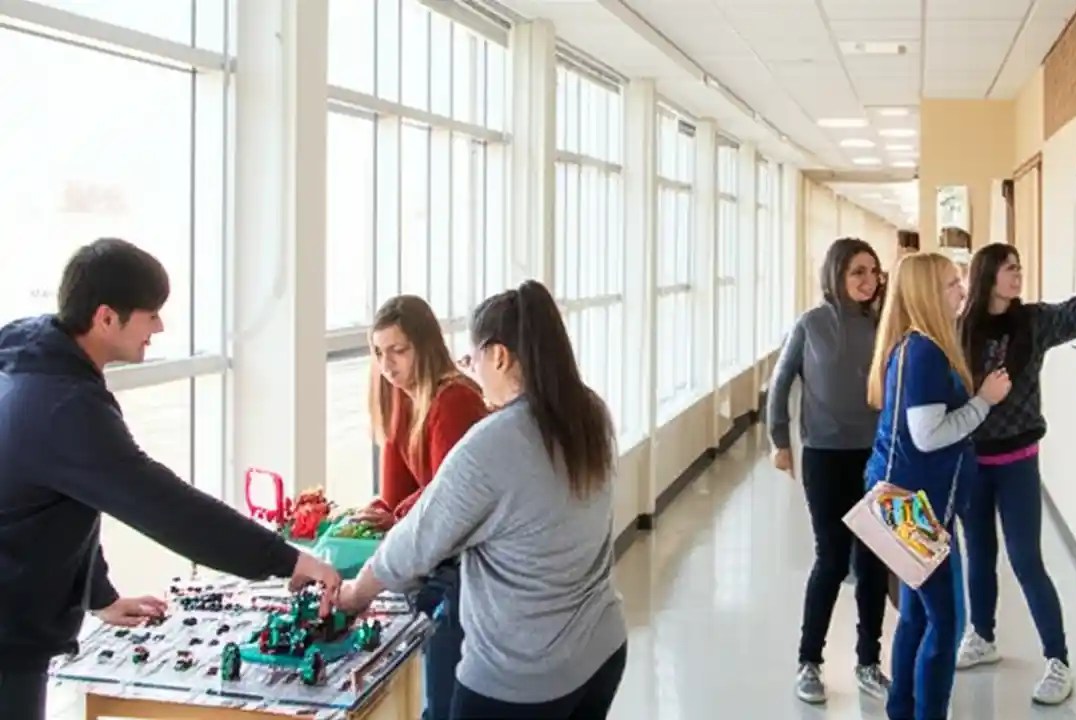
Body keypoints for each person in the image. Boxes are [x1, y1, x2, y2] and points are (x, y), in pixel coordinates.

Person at [0, 238, 340, 720]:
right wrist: (286, 559)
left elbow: (65, 499)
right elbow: (167, 508)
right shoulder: (61, 405)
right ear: (105, 317)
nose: (159, 326)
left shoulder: (34, 361)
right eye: (151, 313)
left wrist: (99, 596)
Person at [337, 280, 627, 720]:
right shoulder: (590, 412)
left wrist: (355, 593)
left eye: (474, 358)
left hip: (521, 679)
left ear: (500, 355)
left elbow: (417, 539)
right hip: (600, 651)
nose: (472, 371)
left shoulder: (493, 443)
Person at [954, 233, 1076, 705]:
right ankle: (981, 636)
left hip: (1018, 462)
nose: (1018, 274)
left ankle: (1058, 661)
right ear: (987, 277)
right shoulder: (959, 328)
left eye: (1019, 266)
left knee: (1026, 560)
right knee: (978, 553)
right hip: (972, 461)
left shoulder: (1034, 322)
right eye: (1009, 267)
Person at [863, 252, 1011, 720]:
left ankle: (903, 710)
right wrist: (984, 401)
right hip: (907, 508)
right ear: (929, 293)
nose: (962, 292)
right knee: (946, 622)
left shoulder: (917, 348)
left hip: (907, 503)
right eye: (951, 284)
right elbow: (928, 436)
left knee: (917, 615)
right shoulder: (923, 351)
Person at [767, 238, 892, 704]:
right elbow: (779, 386)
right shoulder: (811, 324)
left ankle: (868, 662)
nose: (867, 281)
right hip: (824, 456)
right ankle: (809, 662)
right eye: (857, 272)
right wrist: (780, 440)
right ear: (837, 274)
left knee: (875, 562)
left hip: (876, 456)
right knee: (832, 561)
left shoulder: (884, 325)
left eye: (874, 272)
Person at [355, 295, 489, 720]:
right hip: (433, 555)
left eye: (399, 350)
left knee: (444, 699)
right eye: (379, 352)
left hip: (466, 563)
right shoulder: (400, 396)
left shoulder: (455, 399)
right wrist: (380, 510)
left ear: (425, 346)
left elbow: (449, 500)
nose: (388, 364)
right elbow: (398, 497)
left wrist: (396, 514)